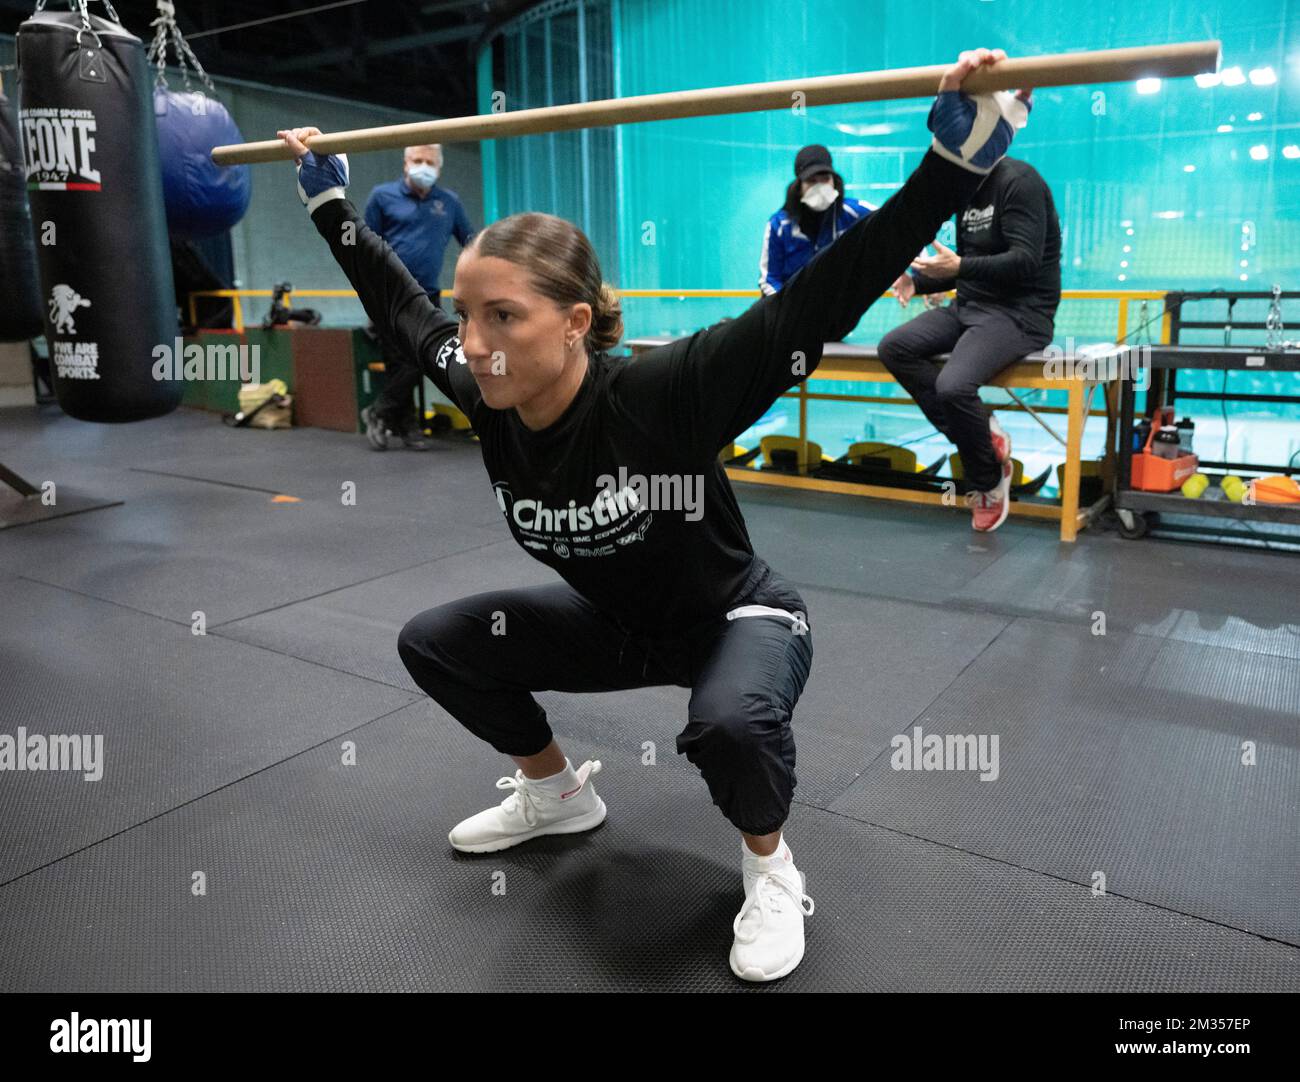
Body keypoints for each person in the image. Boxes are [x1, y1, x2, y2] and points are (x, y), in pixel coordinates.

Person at [279, 46, 1032, 983]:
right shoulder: (484, 388)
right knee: (437, 640)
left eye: (502, 317)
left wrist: (950, 169)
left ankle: (771, 869)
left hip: (737, 619)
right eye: (466, 315)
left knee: (728, 726)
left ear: (575, 323)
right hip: (621, 627)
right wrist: (330, 207)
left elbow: (820, 297)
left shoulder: (665, 392)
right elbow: (398, 309)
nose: (473, 343)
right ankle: (556, 795)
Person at [881, 150, 1060, 531]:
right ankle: (982, 431)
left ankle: (989, 482)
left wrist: (960, 266)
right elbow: (970, 267)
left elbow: (1025, 261)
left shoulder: (1018, 181)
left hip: (1021, 313)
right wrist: (919, 282)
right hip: (971, 306)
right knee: (894, 348)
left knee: (953, 386)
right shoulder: (967, 188)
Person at [360, 144, 477, 450]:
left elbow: (472, 242)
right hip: (388, 294)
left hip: (428, 296)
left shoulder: (448, 202)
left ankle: (386, 415)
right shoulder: (382, 196)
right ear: (405, 163)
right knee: (401, 361)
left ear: (438, 168)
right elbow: (363, 248)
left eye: (429, 162)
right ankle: (399, 421)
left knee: (419, 359)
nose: (423, 166)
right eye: (417, 160)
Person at [758, 143, 875, 295]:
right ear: (799, 185)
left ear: (834, 181)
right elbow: (769, 279)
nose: (819, 186)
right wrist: (786, 312)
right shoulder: (779, 225)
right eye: (811, 180)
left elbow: (894, 222)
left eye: (825, 179)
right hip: (789, 310)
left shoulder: (854, 212)